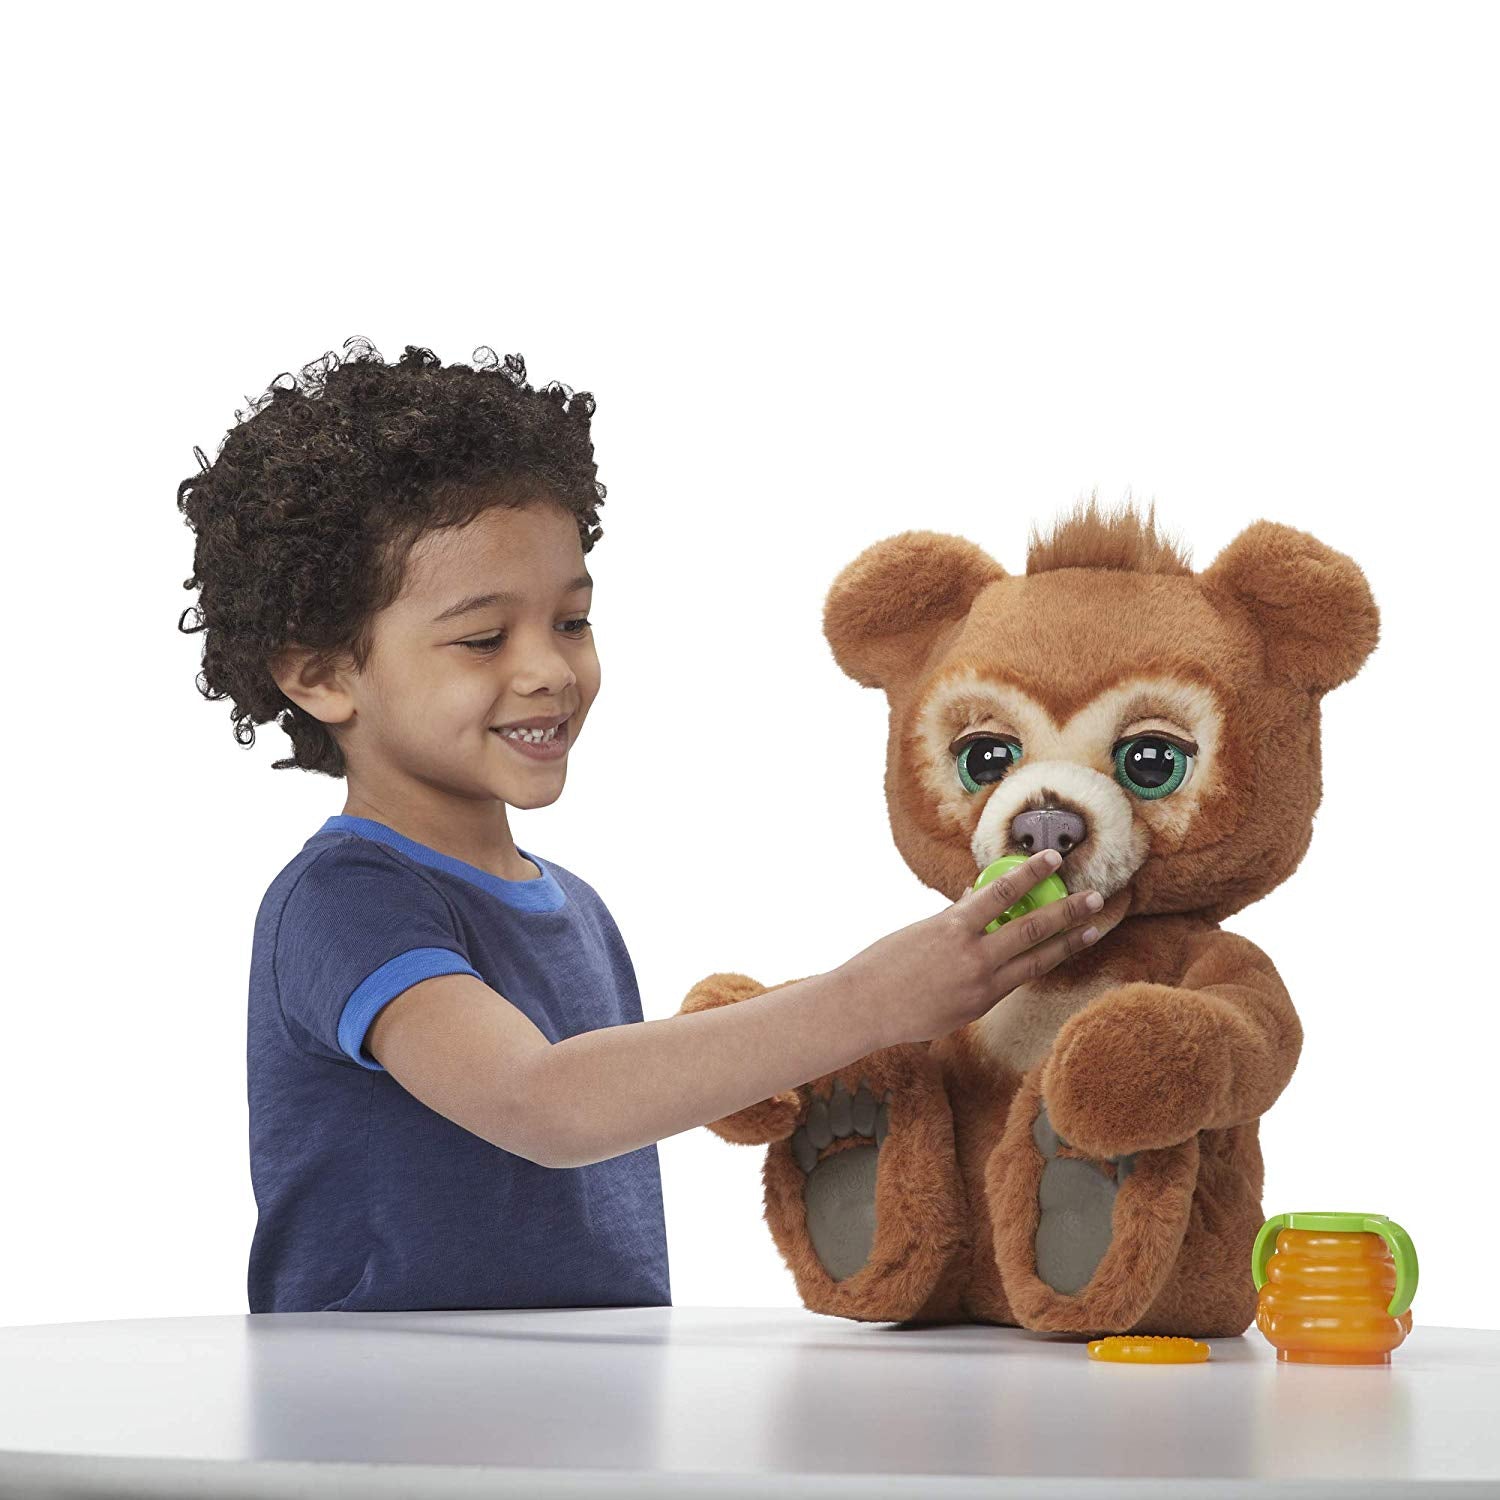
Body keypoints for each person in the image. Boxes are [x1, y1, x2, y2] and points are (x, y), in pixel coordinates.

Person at [176, 338, 1105, 1314]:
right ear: (322, 675)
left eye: (571, 622)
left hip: (574, 1401)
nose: (549, 669)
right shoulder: (344, 901)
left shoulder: (575, 907)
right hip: (375, 1411)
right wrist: (869, 1001)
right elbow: (545, 1102)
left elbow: (624, 1102)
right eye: (484, 638)